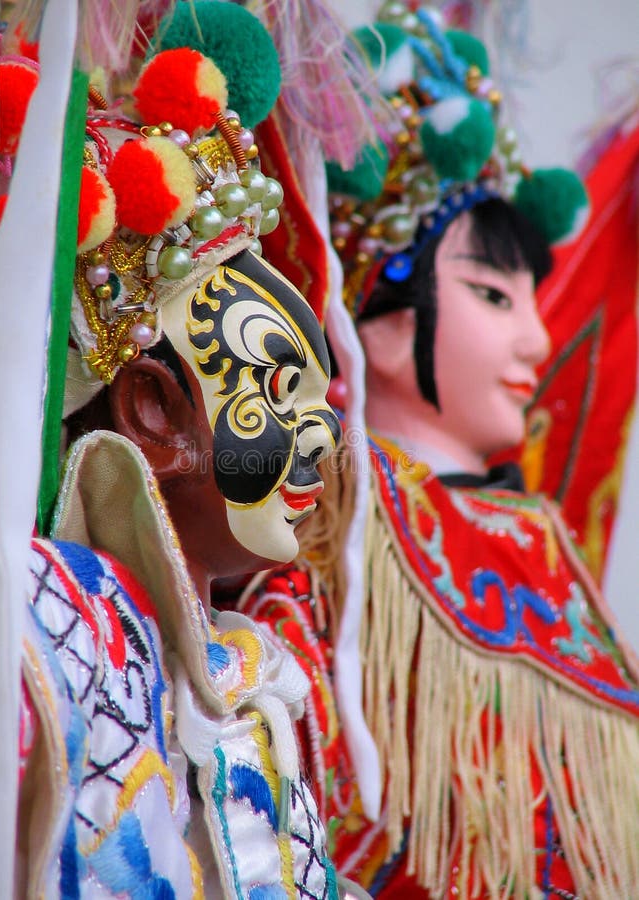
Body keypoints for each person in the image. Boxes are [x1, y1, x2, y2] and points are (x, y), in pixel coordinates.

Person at [239, 7, 639, 898]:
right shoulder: (328, 524)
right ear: (382, 327)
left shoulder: (545, 546)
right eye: (494, 297)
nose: (538, 340)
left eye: (534, 301)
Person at [0, 3, 347, 897]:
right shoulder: (30, 622)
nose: (326, 432)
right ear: (152, 412)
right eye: (283, 390)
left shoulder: (256, 677)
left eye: (321, 399)